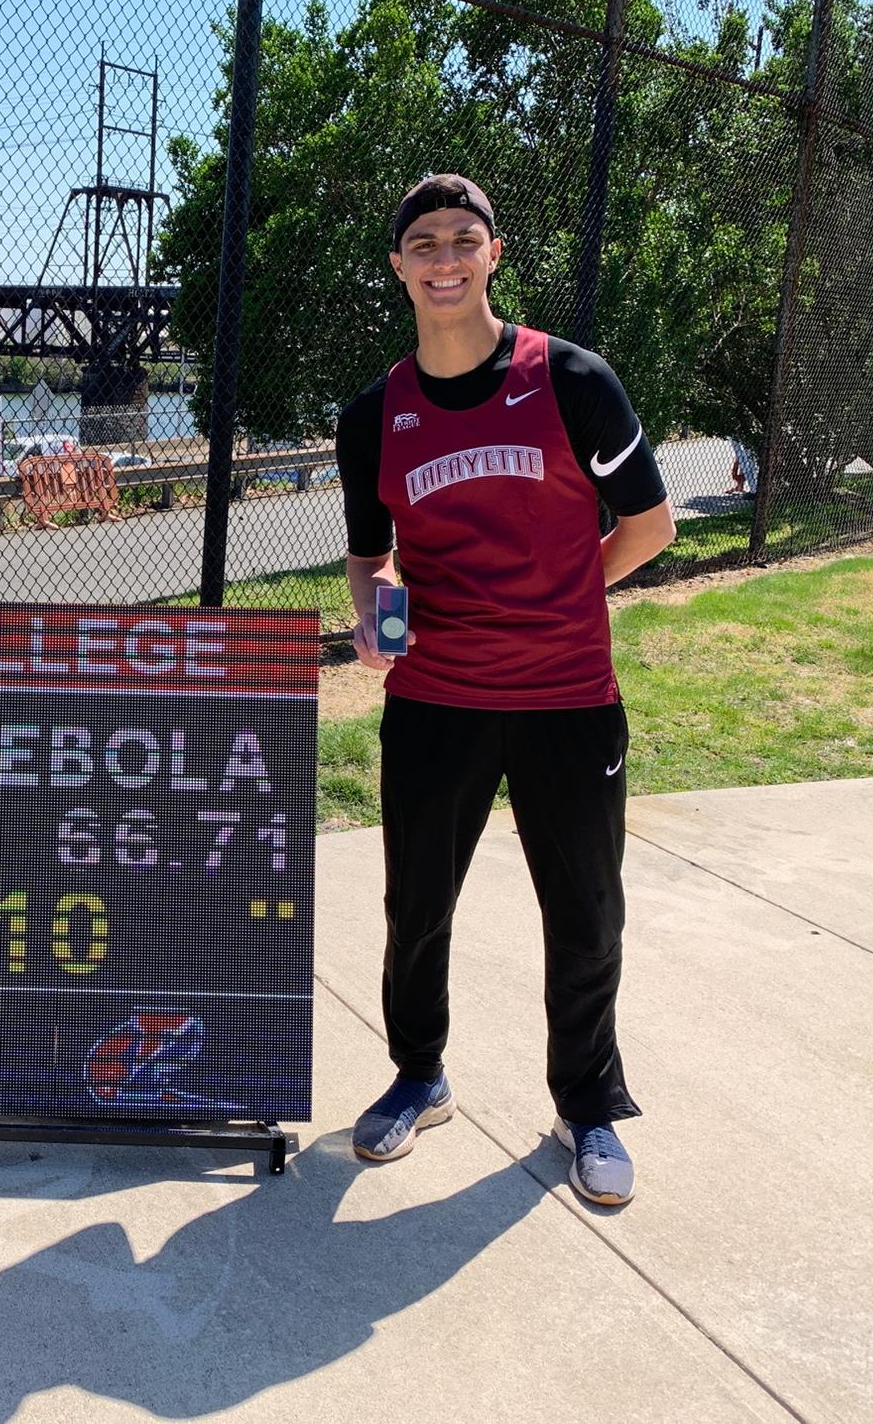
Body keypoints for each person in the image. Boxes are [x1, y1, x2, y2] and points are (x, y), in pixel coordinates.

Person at [334, 174, 677, 1206]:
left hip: (567, 696)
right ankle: (417, 1077)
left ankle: (585, 1107)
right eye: (422, 243)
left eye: (461, 240)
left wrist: (557, 598)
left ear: (492, 254)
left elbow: (649, 526)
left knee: (583, 912)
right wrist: (371, 609)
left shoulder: (570, 379)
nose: (442, 258)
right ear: (397, 266)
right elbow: (367, 554)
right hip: (435, 698)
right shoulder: (373, 415)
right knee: (415, 908)